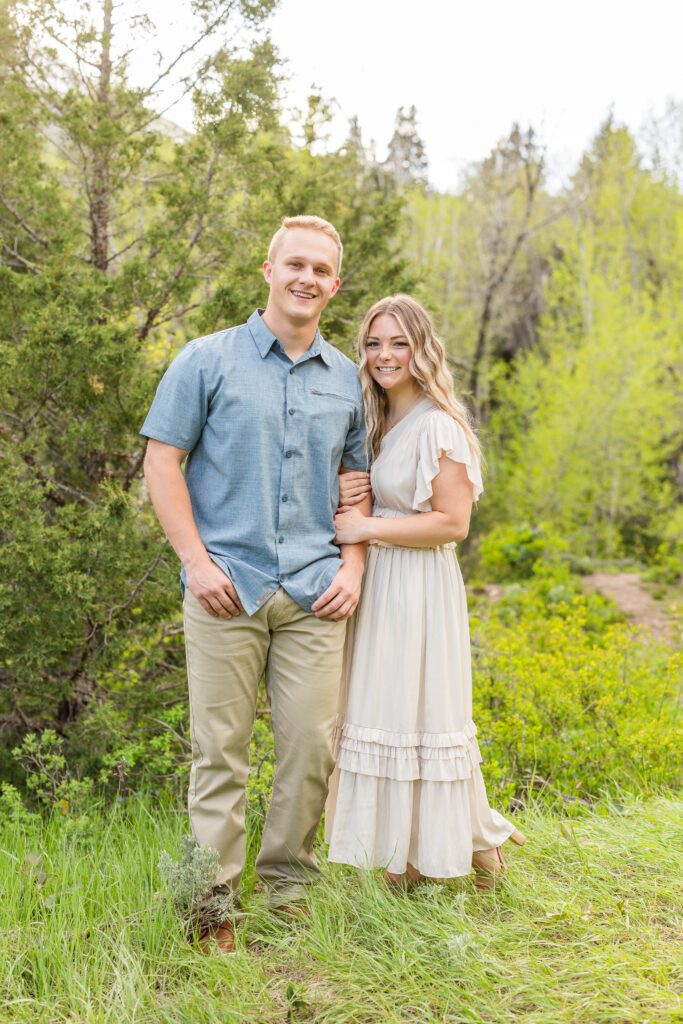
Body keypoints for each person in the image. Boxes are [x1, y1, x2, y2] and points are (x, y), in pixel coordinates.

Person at [140, 215, 372, 952]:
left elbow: (355, 487)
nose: (306, 278)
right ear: (267, 271)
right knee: (219, 752)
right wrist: (196, 562)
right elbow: (161, 462)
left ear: (334, 286)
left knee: (311, 749)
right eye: (294, 264)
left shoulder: (346, 380)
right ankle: (208, 909)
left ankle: (287, 896)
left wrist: (355, 566)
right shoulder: (206, 360)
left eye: (320, 270)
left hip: (314, 592)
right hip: (224, 587)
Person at [325, 294, 525, 890]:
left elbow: (452, 523)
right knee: (382, 712)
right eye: (374, 343)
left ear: (422, 349)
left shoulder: (438, 424)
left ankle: (469, 854)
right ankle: (402, 858)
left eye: (399, 342)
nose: (385, 355)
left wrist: (364, 527)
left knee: (420, 715)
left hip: (417, 587)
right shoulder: (378, 420)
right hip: (380, 584)